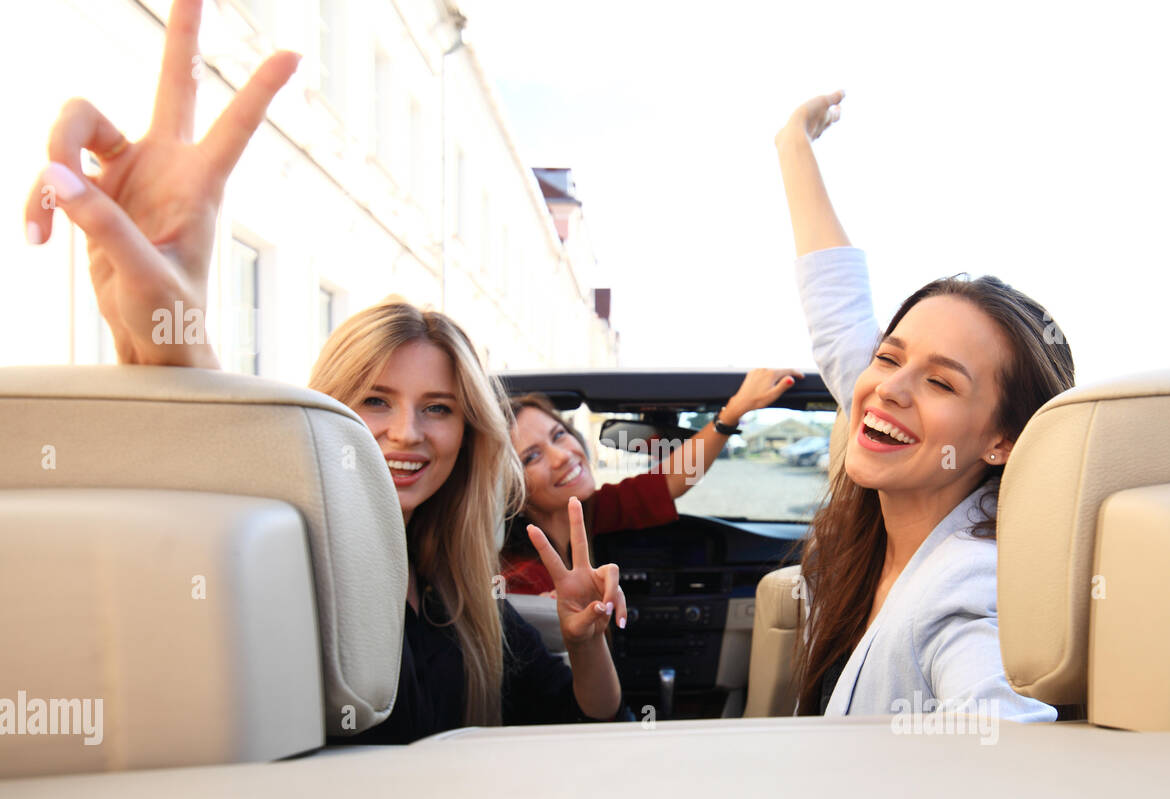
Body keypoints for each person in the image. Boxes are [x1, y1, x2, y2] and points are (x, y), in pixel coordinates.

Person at [24, 0, 630, 741]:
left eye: (438, 407)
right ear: (327, 405)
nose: (406, 433)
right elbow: (214, 466)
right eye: (374, 400)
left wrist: (584, 638)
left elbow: (584, 718)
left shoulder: (459, 585)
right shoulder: (295, 542)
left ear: (469, 432)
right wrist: (166, 332)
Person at [775, 91, 1074, 720]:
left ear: (1004, 440)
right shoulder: (877, 531)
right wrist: (793, 143)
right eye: (889, 357)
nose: (889, 387)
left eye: (942, 383)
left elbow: (998, 730)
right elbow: (839, 314)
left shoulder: (969, 582)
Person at [502, 369, 801, 594]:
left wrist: (733, 412)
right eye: (531, 457)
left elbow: (675, 479)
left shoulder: (588, 510)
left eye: (558, 435)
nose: (561, 457)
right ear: (509, 487)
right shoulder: (520, 580)